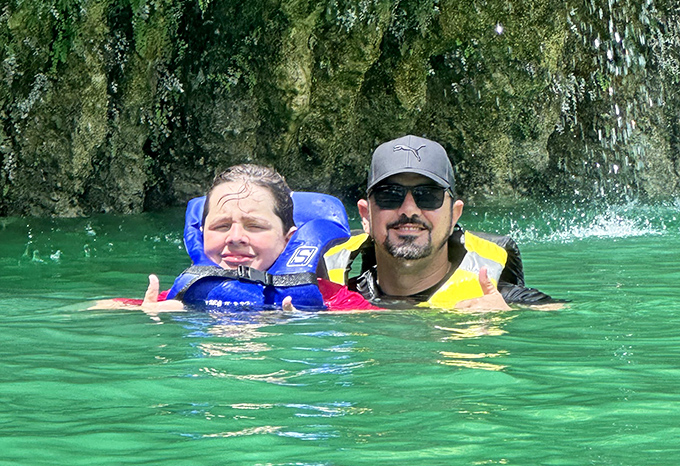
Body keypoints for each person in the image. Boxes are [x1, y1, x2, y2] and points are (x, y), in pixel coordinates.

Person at [91, 164, 375, 313]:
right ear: (202, 235)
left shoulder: (327, 299)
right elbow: (92, 308)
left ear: (288, 239)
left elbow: (386, 324)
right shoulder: (183, 298)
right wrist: (146, 315)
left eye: (254, 226)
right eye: (221, 225)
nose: (235, 237)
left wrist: (306, 322)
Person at [339, 135, 562, 310]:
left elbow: (570, 320)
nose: (409, 209)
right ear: (366, 215)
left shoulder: (502, 301)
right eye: (390, 195)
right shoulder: (332, 296)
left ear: (455, 214)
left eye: (428, 195)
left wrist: (509, 319)